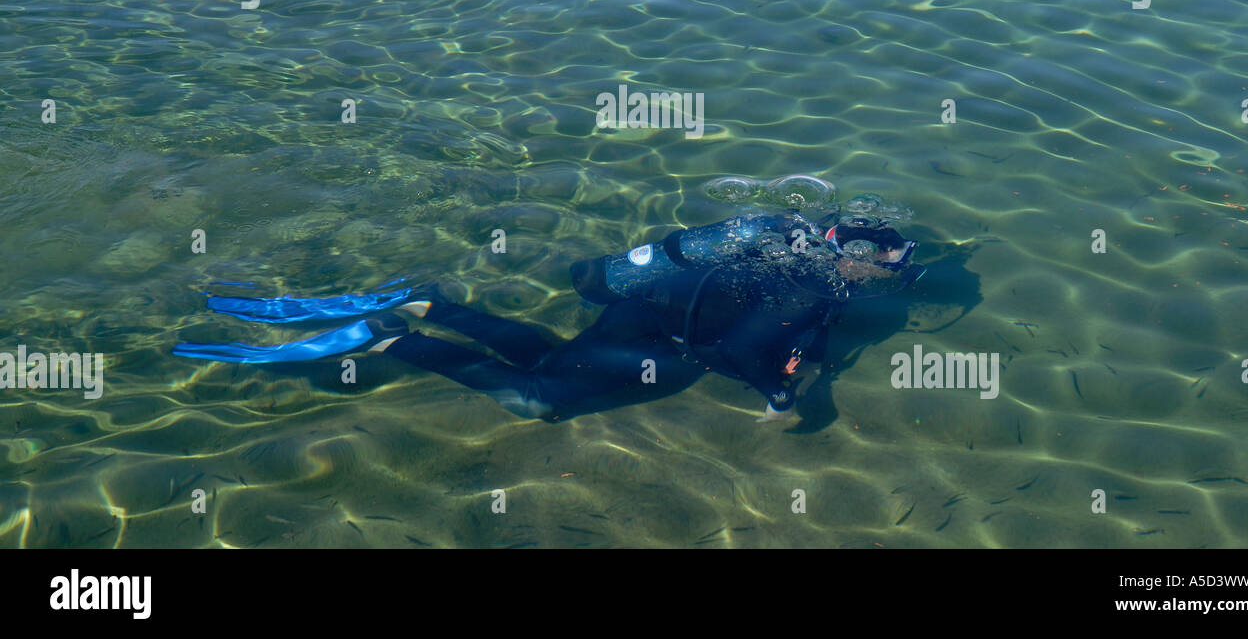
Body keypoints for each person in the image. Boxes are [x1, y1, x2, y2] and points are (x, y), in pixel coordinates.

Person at [175, 210, 924, 423]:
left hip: (633, 311)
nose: (894, 272)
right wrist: (789, 398)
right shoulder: (811, 290)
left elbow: (677, 254)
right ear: (853, 258)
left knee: (555, 355)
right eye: (888, 264)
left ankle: (434, 304)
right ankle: (402, 339)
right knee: (539, 399)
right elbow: (743, 353)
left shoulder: (779, 229)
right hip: (665, 351)